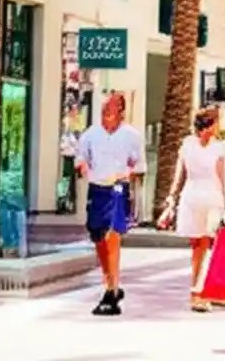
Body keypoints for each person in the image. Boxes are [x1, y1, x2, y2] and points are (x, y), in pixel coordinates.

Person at [75, 91, 146, 316]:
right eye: (104, 107)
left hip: (117, 187)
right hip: (97, 188)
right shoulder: (90, 134)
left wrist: (128, 174)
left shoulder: (131, 135)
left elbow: (139, 165)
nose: (106, 111)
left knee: (112, 236)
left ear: (121, 111)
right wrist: (83, 167)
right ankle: (110, 282)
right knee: (98, 237)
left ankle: (111, 290)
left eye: (111, 107)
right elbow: (80, 157)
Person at [158, 107, 225, 312]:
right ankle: (199, 292)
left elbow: (179, 174)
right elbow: (222, 179)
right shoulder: (213, 147)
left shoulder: (194, 145)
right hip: (205, 196)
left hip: (198, 196)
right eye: (217, 122)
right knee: (203, 246)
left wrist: (172, 197)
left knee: (201, 246)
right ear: (211, 124)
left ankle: (198, 291)